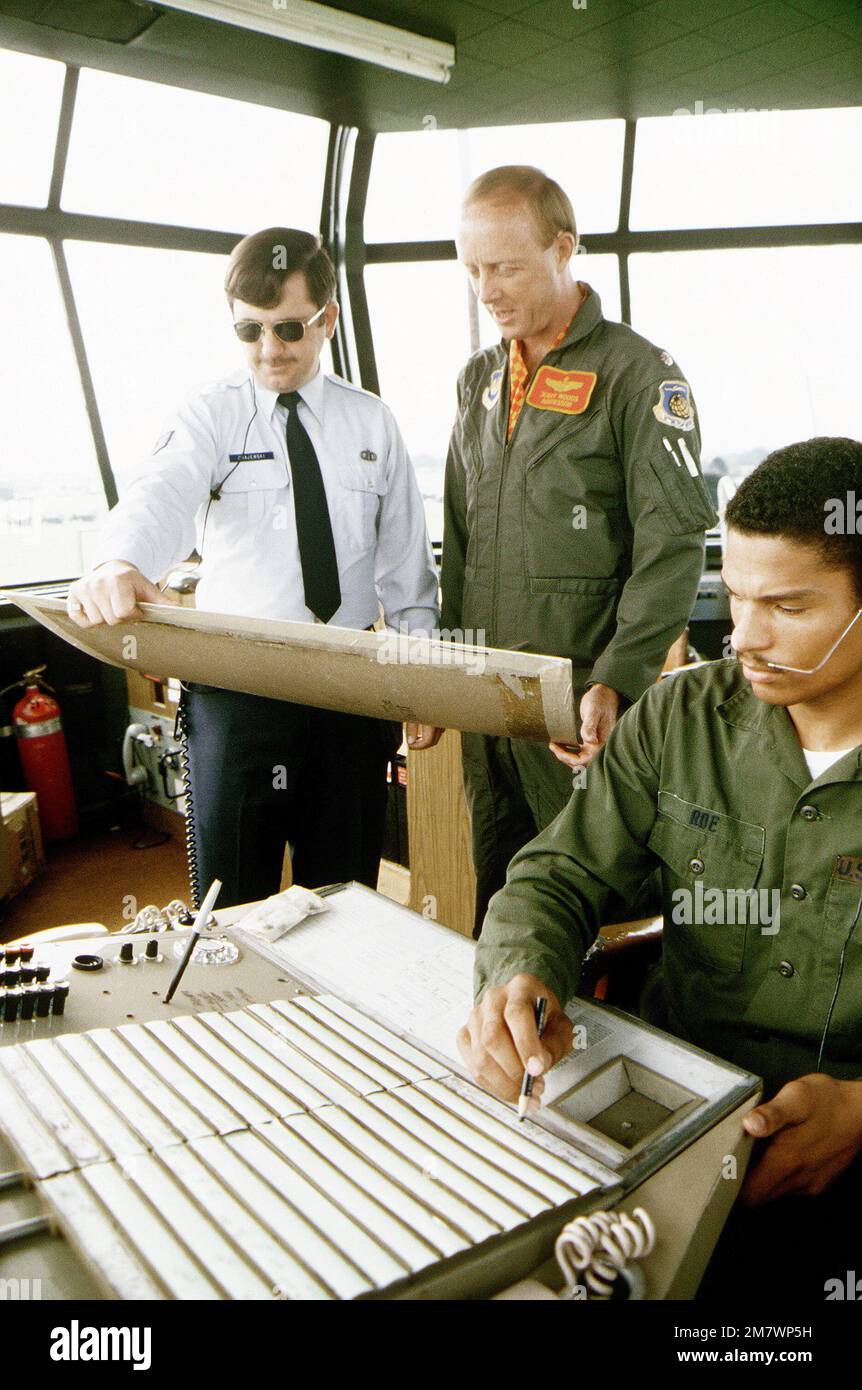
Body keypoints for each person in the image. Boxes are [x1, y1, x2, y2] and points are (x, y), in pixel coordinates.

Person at [457, 437, 862, 1299]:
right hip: (668, 1116)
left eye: (786, 607)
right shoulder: (681, 717)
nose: (743, 637)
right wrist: (521, 969)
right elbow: (558, 876)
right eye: (738, 596)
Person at [68, 228, 439, 907]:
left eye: (290, 328)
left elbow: (406, 563)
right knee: (228, 901)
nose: (269, 350)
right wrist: (119, 561)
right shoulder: (211, 415)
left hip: (347, 695)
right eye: (251, 331)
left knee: (345, 900)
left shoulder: (372, 424)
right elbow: (162, 495)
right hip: (239, 697)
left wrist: (420, 672)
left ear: (327, 319)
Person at [440, 165, 718, 933]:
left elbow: (672, 542)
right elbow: (459, 538)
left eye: (505, 267)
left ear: (565, 249)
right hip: (488, 703)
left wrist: (619, 679)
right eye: (472, 270)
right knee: (500, 901)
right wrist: (439, 676)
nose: (486, 291)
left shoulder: (638, 375)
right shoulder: (479, 381)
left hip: (580, 707)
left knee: (592, 903)